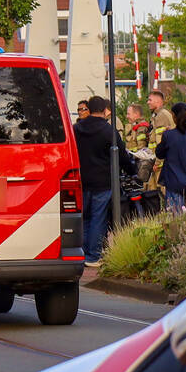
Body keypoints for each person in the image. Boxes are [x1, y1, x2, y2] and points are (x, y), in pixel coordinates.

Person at [72, 95, 116, 264]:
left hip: (81, 180)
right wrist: (133, 170)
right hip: (102, 182)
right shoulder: (108, 130)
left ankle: (81, 251)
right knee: (99, 217)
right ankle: (93, 254)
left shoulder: (76, 129)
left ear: (89, 110)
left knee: (84, 217)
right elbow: (121, 154)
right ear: (104, 110)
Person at [156, 102, 186, 209]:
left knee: (176, 220)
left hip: (174, 185)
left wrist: (165, 136)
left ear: (173, 116)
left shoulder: (169, 135)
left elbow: (159, 154)